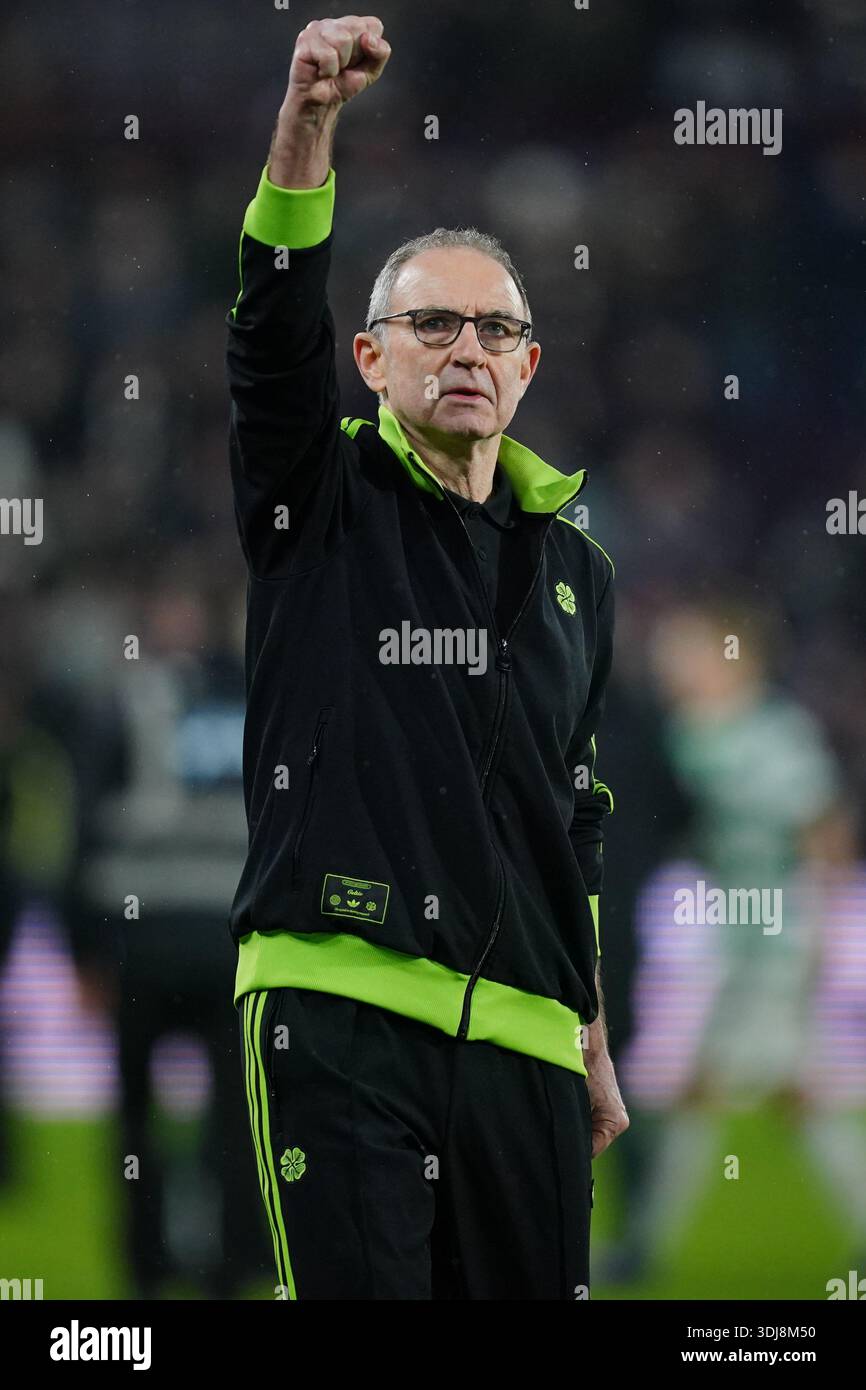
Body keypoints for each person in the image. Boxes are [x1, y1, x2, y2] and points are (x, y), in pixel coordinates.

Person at [227, 14, 627, 1300]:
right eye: (433, 324)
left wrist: (588, 1028)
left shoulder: (577, 569)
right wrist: (308, 123)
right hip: (339, 1005)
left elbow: (575, 813)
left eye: (494, 331)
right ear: (371, 355)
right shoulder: (318, 489)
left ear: (528, 365)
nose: (467, 349)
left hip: (523, 1043)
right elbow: (268, 330)